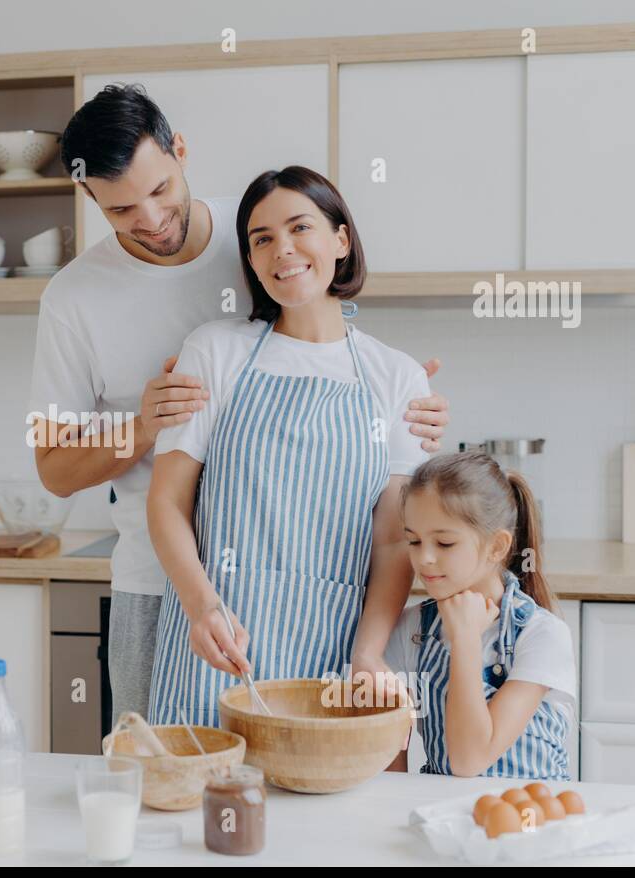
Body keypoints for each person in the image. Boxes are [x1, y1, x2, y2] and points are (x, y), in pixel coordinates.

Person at [28, 84, 450, 724]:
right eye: (120, 210)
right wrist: (144, 425)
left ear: (181, 151)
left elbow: (321, 314)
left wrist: (405, 400)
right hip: (162, 582)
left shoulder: (253, 225)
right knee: (164, 785)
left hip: (326, 604)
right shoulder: (75, 298)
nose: (149, 218)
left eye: (162, 189)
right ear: (90, 199)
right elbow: (54, 470)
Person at [147, 165, 430, 727]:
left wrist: (368, 654)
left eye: (300, 228)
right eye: (262, 239)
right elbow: (166, 502)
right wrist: (202, 606)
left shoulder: (397, 377)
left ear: (341, 240)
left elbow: (393, 537)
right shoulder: (214, 352)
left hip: (331, 656)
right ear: (250, 261)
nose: (283, 250)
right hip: (218, 649)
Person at [383, 451, 575, 780]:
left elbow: (469, 760)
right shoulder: (410, 630)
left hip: (531, 821)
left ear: (497, 547)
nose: (424, 559)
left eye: (444, 543)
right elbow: (390, 763)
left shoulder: (541, 635)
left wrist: (466, 639)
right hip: (443, 821)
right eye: (413, 540)